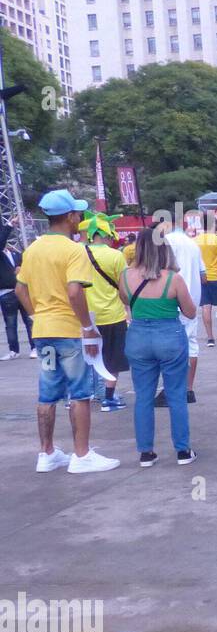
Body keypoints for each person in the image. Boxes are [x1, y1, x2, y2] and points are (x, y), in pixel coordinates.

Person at [15, 189, 120, 473]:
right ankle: (82, 455)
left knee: (47, 392)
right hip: (69, 332)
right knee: (80, 393)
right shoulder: (74, 250)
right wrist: (87, 326)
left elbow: (20, 289)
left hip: (43, 331)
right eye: (78, 214)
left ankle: (47, 453)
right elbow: (75, 292)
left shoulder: (33, 249)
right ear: (70, 216)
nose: (80, 219)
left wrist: (36, 315)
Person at [119, 225, 198, 467]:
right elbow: (190, 312)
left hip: (138, 337)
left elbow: (125, 300)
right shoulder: (173, 279)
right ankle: (183, 450)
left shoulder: (125, 276)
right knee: (176, 394)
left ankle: (146, 452)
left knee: (143, 396)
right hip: (169, 336)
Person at [78, 211, 130, 411]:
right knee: (113, 359)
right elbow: (123, 288)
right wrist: (128, 307)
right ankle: (108, 398)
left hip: (86, 317)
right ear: (106, 234)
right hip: (113, 315)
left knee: (88, 358)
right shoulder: (116, 255)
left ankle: (81, 395)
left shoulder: (79, 254)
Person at [157, 218, 205, 406]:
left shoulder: (167, 241)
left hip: (171, 301)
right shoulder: (193, 244)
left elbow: (160, 270)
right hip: (192, 301)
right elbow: (203, 275)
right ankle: (188, 390)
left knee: (170, 348)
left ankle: (171, 390)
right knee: (191, 344)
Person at [0, 236, 36, 360]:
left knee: (29, 320)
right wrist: (9, 227)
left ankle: (34, 347)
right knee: (10, 323)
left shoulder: (16, 254)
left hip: (22, 290)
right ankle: (13, 350)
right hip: (7, 293)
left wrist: (21, 269)